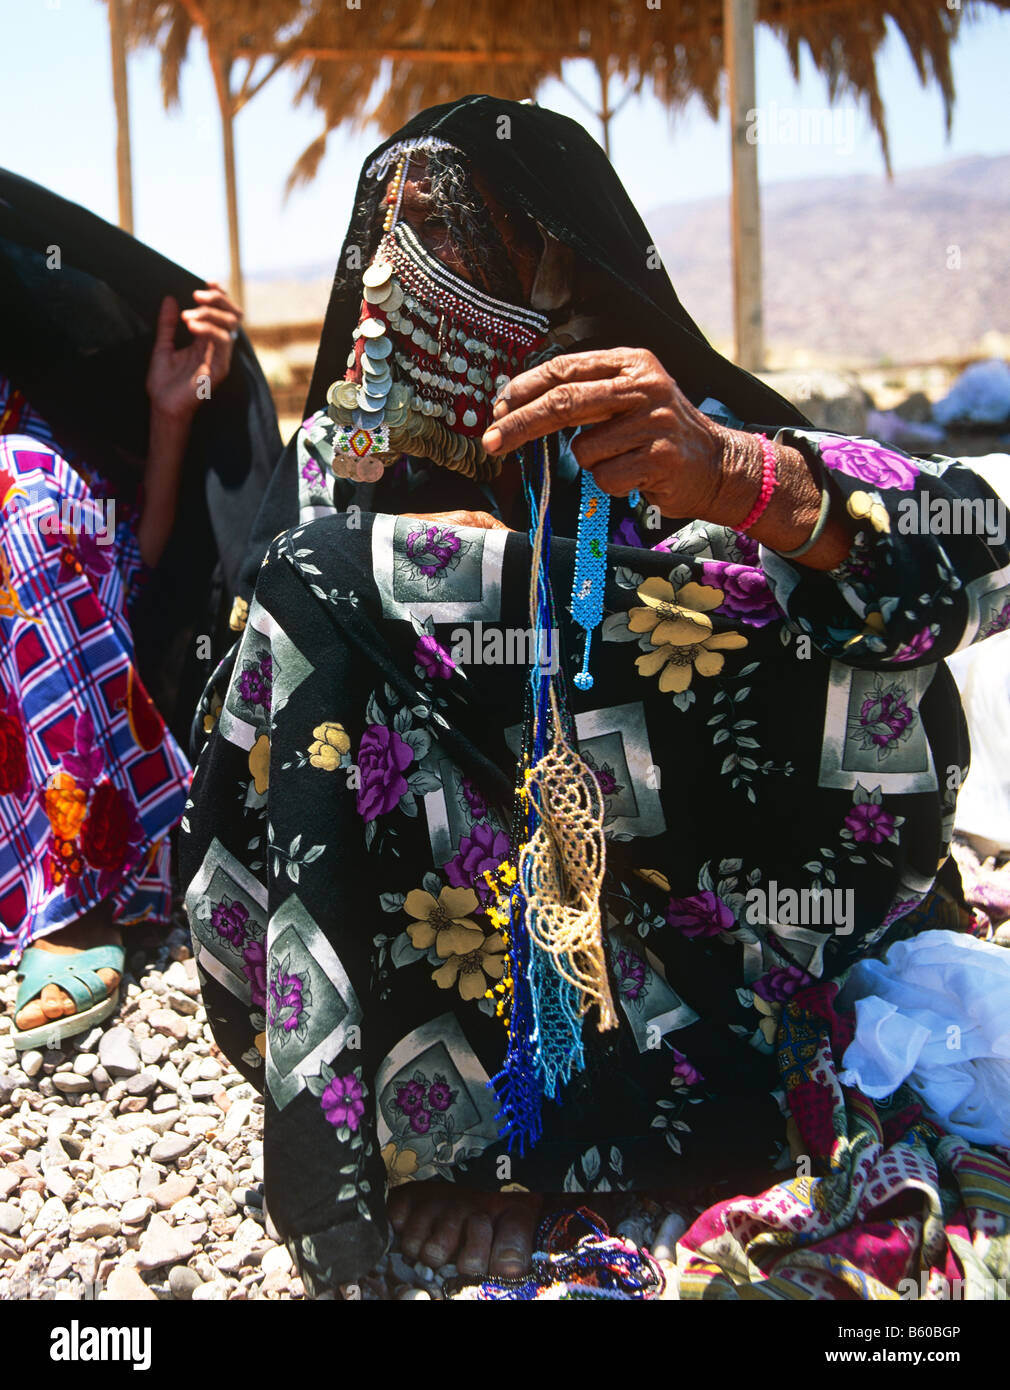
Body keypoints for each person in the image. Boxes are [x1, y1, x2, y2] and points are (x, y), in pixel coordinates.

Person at [181, 97, 1010, 1298]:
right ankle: (424, 1150)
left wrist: (741, 481)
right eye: (374, 236)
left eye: (433, 234)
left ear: (552, 263)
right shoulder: (347, 478)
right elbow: (251, 778)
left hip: (711, 969)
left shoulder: (666, 439)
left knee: (782, 611)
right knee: (313, 610)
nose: (379, 285)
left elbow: (978, 554)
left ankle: (658, 1147)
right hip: (485, 1003)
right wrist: (411, 573)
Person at [0, 167, 280, 1050]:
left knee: (27, 487)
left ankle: (79, 878)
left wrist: (174, 414)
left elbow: (130, 575)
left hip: (41, 759)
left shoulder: (31, 400)